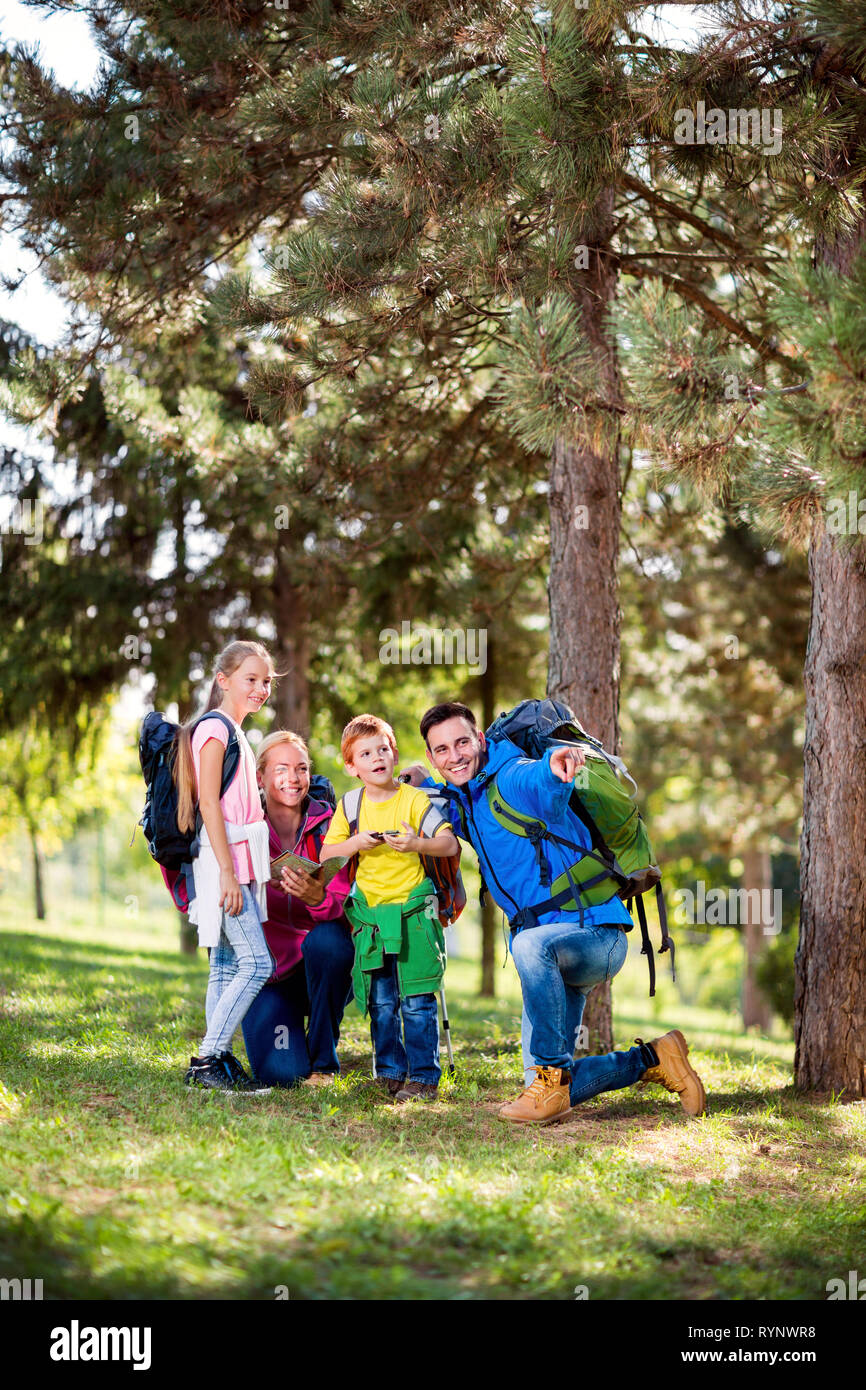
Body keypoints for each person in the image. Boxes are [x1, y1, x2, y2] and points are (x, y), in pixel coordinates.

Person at [404, 701, 707, 1125]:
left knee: (527, 948)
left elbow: (539, 783)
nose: (454, 755)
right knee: (548, 1086)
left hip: (594, 937)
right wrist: (420, 779)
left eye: (461, 742)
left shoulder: (511, 776)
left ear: (480, 738)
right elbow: (449, 803)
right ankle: (656, 1058)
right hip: (551, 952)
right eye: (441, 750)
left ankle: (550, 1077)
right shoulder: (467, 797)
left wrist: (556, 764)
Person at [320, 714, 459, 1103]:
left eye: (383, 749)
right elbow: (327, 854)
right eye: (366, 753)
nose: (377, 757)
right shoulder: (350, 805)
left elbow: (449, 846)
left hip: (414, 912)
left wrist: (418, 844)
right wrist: (355, 843)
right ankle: (390, 1072)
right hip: (372, 919)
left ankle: (424, 1077)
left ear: (394, 754)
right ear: (352, 765)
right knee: (382, 1001)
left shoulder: (414, 799)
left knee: (416, 1000)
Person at [174, 640, 277, 1094]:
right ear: (223, 680)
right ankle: (207, 1058)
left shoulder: (234, 731)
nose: (260, 688)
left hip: (237, 860)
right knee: (257, 963)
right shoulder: (214, 730)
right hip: (223, 862)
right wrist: (229, 875)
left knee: (226, 965)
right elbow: (209, 804)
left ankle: (218, 1061)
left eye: (266, 681)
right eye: (250, 679)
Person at [240, 730, 355, 1088]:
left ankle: (324, 1063)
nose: (293, 778)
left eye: (302, 768)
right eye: (281, 769)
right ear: (260, 777)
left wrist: (317, 899)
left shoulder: (331, 825)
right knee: (283, 1076)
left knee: (330, 942)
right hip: (267, 976)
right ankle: (294, 1039)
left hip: (318, 968)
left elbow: (350, 909)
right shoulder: (244, 827)